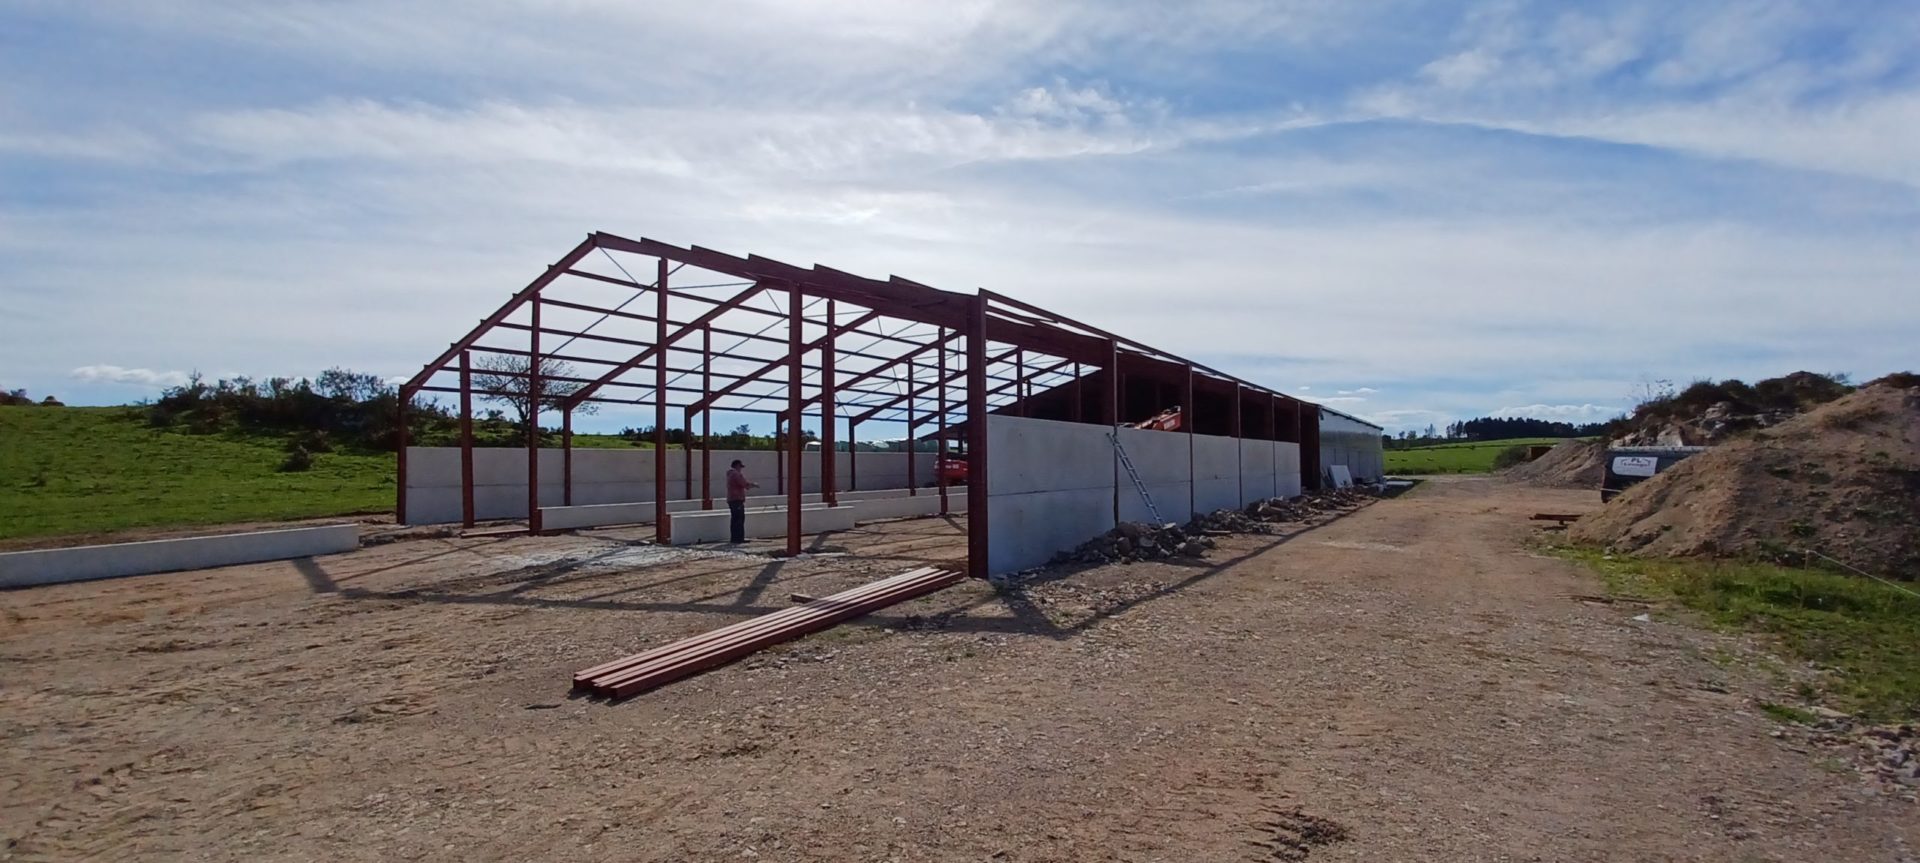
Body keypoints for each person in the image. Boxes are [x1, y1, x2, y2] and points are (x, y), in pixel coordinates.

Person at [725, 459, 759, 544]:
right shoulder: (736, 474)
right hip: (737, 499)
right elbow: (744, 484)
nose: (741, 469)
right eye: (740, 467)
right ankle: (739, 539)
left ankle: (734, 538)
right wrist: (754, 485)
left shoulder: (730, 474)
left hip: (732, 499)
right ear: (737, 466)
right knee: (739, 519)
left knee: (734, 519)